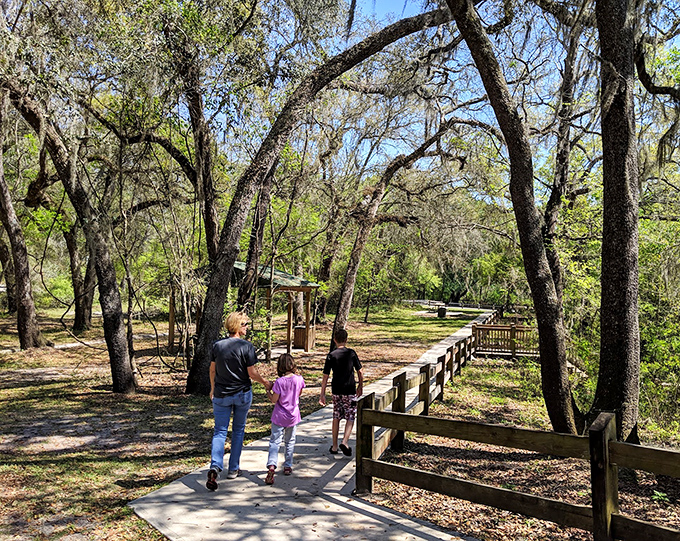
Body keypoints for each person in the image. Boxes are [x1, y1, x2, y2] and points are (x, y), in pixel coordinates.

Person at [206, 311, 271, 491]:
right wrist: (266, 382)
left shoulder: (216, 346)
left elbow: (212, 370)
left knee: (219, 431)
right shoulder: (247, 347)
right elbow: (251, 373)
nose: (247, 327)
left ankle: (215, 466)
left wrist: (212, 388)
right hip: (242, 394)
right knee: (238, 430)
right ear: (236, 326)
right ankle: (233, 468)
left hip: (220, 394)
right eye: (244, 324)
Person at [319, 328, 363, 456]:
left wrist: (322, 393)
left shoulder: (331, 355)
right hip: (350, 390)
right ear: (346, 340)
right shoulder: (351, 353)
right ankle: (345, 441)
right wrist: (360, 386)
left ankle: (334, 446)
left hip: (336, 390)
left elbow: (325, 376)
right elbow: (360, 371)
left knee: (336, 416)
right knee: (350, 415)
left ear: (334, 340)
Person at [264, 353, 306, 485]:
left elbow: (274, 400)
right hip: (293, 416)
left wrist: (268, 392)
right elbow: (299, 394)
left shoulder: (279, 382)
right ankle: (288, 465)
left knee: (275, 441)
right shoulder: (299, 379)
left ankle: (272, 465)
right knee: (290, 441)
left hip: (279, 416)